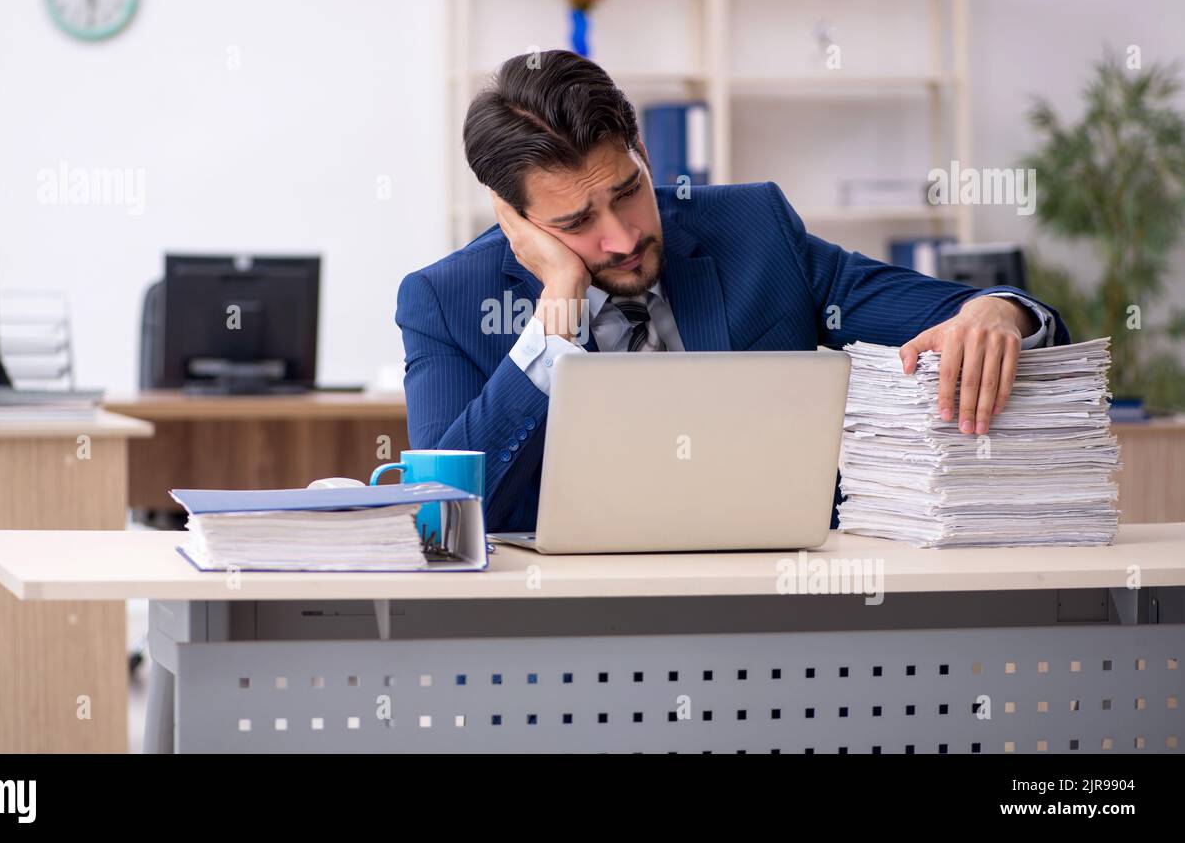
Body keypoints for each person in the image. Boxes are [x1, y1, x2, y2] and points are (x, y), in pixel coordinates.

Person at [395, 50, 1066, 532]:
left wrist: (997, 312)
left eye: (628, 192)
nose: (623, 238)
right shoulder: (446, 301)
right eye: (575, 224)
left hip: (780, 611)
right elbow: (441, 516)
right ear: (517, 222)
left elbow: (952, 311)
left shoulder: (753, 231)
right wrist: (556, 314)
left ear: (643, 152)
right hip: (570, 635)